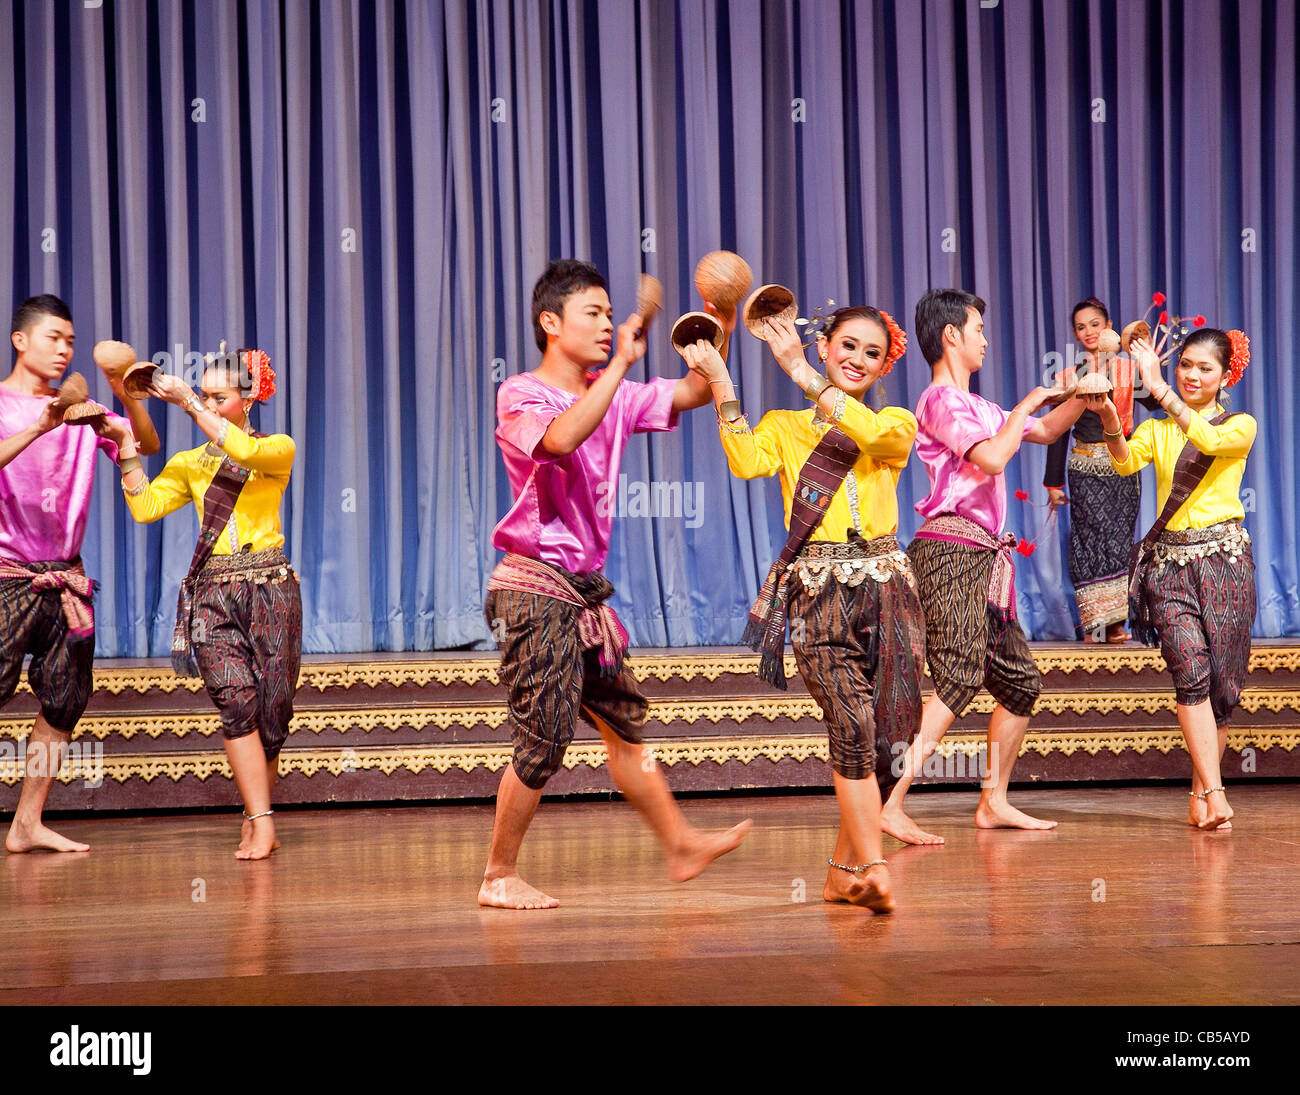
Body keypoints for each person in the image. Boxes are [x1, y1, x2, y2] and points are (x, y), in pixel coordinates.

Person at [479, 259, 751, 909]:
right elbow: (563, 438)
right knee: (543, 736)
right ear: (551, 322)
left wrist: (725, 319)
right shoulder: (522, 392)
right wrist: (625, 366)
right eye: (592, 314)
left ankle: (680, 843)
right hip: (535, 588)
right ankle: (497, 874)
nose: (607, 325)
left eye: (609, 313)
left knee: (624, 728)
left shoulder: (615, 390)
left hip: (582, 597)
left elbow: (691, 390)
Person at [687, 305, 922, 912]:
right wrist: (720, 382)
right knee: (851, 723)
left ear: (882, 366)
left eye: (872, 353)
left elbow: (873, 438)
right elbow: (744, 459)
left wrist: (795, 367)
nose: (857, 359)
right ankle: (873, 866)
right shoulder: (787, 427)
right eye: (847, 345)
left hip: (887, 590)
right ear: (826, 346)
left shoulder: (891, 421)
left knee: (892, 737)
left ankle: (843, 873)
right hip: (818, 593)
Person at [881, 289, 1099, 845]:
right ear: (951, 334)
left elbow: (1047, 432)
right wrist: (1029, 402)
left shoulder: (980, 408)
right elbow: (994, 456)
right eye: (978, 327)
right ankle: (889, 801)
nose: (985, 337)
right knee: (957, 672)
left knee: (1020, 682)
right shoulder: (939, 401)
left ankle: (993, 801)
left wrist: (1089, 387)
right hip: (949, 551)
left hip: (983, 556)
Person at [113, 347, 300, 860]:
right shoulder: (189, 464)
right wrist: (127, 450)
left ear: (249, 399)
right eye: (208, 397)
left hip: (271, 590)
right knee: (236, 702)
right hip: (213, 595)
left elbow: (242, 451)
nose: (212, 406)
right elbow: (146, 508)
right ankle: (263, 822)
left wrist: (191, 403)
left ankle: (252, 811)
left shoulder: (276, 448)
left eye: (221, 398)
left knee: (272, 713)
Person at [1, 294, 159, 853]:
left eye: (71, 341)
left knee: (64, 701)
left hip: (67, 578)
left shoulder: (82, 409)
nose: (65, 349)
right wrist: (41, 427)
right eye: (54, 338)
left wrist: (126, 397)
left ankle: (26, 823)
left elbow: (145, 444)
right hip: (7, 577)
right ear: (21, 340)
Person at [1100, 330, 1255, 831]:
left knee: (1221, 687)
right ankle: (1215, 791)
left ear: (1225, 375)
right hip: (1168, 569)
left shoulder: (1240, 426)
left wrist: (1156, 385)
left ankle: (1198, 796)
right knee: (1189, 673)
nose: (1190, 375)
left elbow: (1206, 439)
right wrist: (1107, 416)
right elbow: (1124, 463)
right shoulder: (1159, 429)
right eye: (1185, 364)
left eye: (1204, 368)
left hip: (1224, 562)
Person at [1043, 297, 1158, 642]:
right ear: (1075, 335)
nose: (1088, 332)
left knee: (1120, 543)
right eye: (1081, 327)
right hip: (1083, 467)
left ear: (1108, 326)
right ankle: (1094, 622)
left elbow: (1154, 403)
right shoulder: (1069, 375)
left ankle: (1117, 624)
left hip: (1123, 465)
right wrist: (1052, 482)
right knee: (1087, 541)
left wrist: (1150, 365)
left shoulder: (1128, 370)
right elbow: (1056, 431)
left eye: (1094, 324)